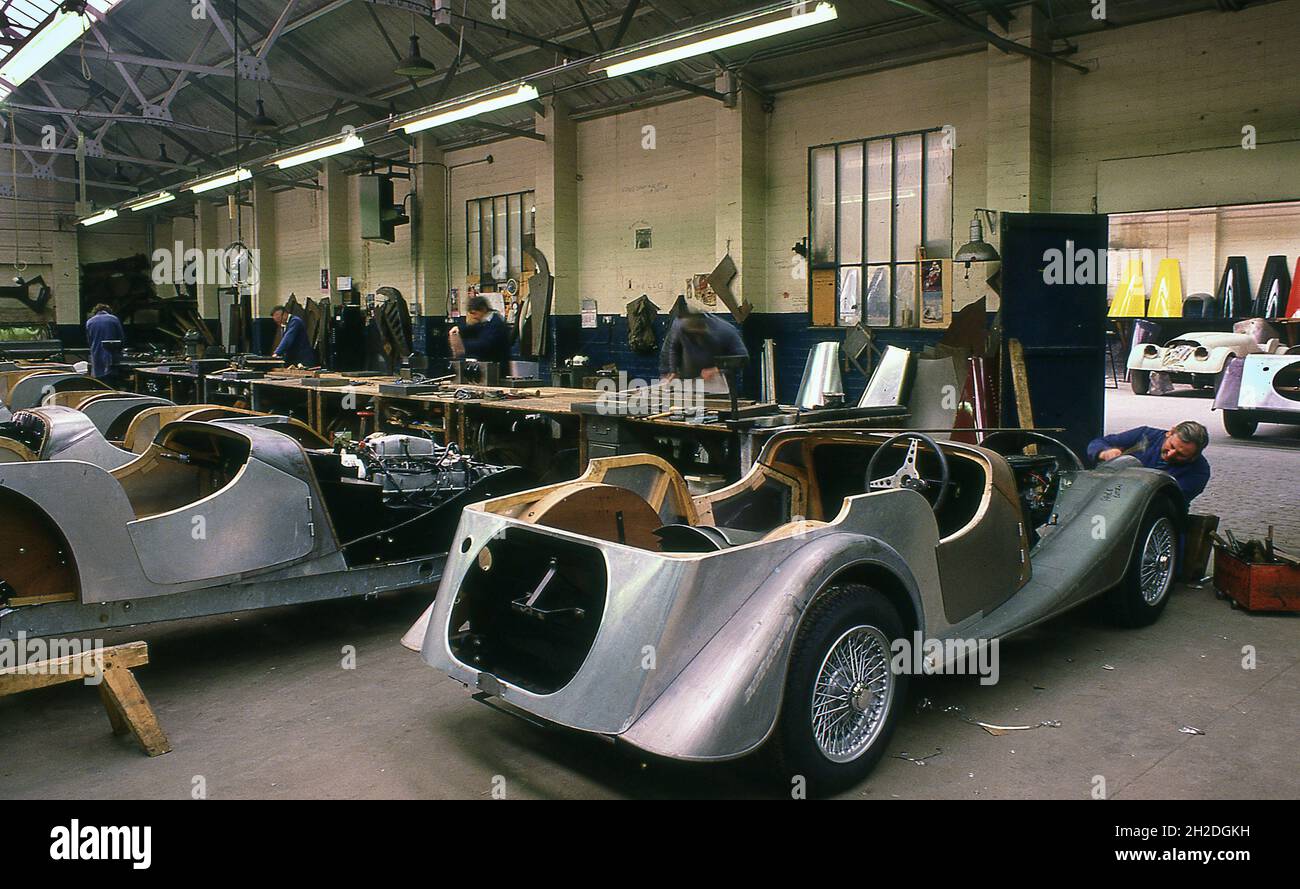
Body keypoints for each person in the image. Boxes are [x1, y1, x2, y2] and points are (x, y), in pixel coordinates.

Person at [1086, 420, 1211, 504]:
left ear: (1193, 457)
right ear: (1170, 433)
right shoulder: (1145, 434)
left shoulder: (1200, 471)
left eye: (1181, 455)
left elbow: (1168, 499)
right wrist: (1104, 452)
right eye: (1172, 446)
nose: (1171, 454)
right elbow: (1099, 443)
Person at [659, 307, 748, 394]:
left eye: (696, 335)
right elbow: (674, 348)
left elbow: (743, 358)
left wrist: (715, 370)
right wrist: (673, 371)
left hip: (714, 382)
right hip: (686, 382)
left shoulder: (725, 331)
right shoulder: (679, 324)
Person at [450, 295, 511, 368]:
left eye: (474, 313)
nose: (473, 317)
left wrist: (462, 345)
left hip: (497, 369)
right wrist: (458, 329)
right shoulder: (485, 321)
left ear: (483, 309)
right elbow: (474, 328)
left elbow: (485, 344)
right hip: (488, 367)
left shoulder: (496, 323)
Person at [85, 303, 125, 383]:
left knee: (99, 378)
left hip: (96, 353)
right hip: (112, 354)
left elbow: (89, 340)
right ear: (108, 311)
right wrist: (120, 350)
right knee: (112, 378)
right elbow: (121, 337)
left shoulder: (89, 322)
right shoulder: (114, 319)